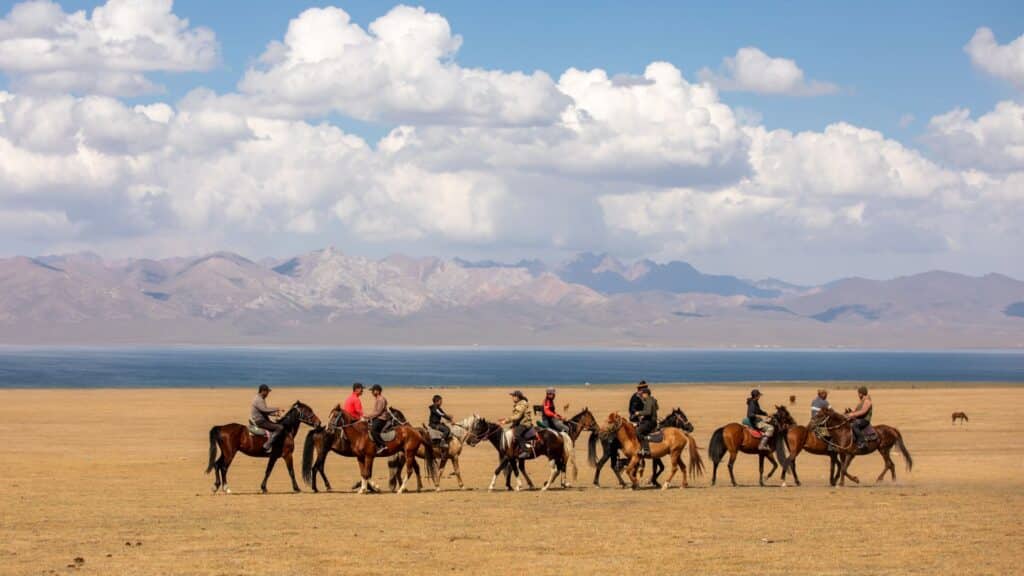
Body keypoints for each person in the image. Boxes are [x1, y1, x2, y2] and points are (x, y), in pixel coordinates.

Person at [250, 384, 283, 452]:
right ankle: (267, 445)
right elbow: (264, 409)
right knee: (280, 427)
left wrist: (275, 414)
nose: (268, 394)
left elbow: (264, 411)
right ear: (263, 391)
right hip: (261, 421)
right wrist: (277, 409)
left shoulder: (261, 398)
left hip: (262, 420)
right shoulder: (258, 399)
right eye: (267, 392)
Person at [503, 390, 534, 457]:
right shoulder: (519, 404)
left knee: (516, 434)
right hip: (519, 423)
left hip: (525, 423)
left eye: (513, 396)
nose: (512, 398)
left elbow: (518, 416)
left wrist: (506, 420)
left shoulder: (522, 404)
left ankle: (526, 451)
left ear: (518, 397)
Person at [365, 384, 389, 454]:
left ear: (378, 391)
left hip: (381, 419)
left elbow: (378, 412)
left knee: (373, 430)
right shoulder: (378, 399)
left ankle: (382, 445)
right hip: (377, 417)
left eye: (373, 391)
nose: (372, 392)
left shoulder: (381, 399)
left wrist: (368, 416)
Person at [636, 386, 659, 457]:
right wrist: (643, 416)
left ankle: (646, 449)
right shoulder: (652, 399)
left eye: (642, 394)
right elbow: (657, 408)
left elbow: (648, 412)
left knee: (638, 431)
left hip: (650, 422)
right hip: (650, 420)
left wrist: (639, 413)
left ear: (646, 394)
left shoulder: (649, 400)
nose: (642, 395)